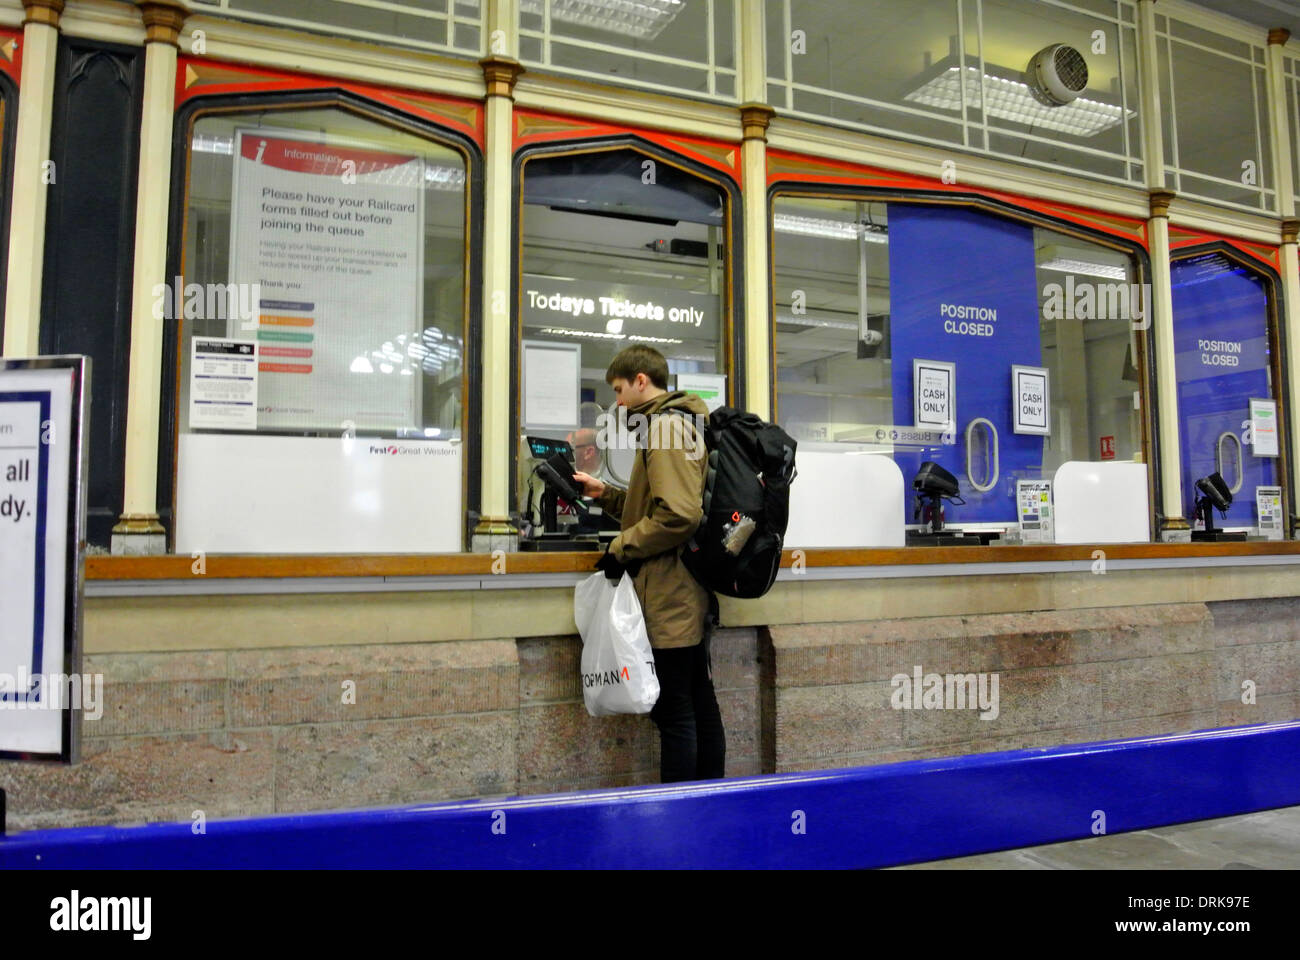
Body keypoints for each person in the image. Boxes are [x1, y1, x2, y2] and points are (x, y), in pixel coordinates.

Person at [572, 345, 725, 784]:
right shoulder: (679, 424)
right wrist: (608, 495)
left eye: (619, 391)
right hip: (682, 588)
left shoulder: (666, 430)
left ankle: (680, 816)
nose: (617, 402)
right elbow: (660, 506)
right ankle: (711, 802)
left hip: (668, 592)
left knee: (676, 710)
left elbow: (678, 515)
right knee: (697, 698)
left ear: (642, 381)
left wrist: (622, 547)